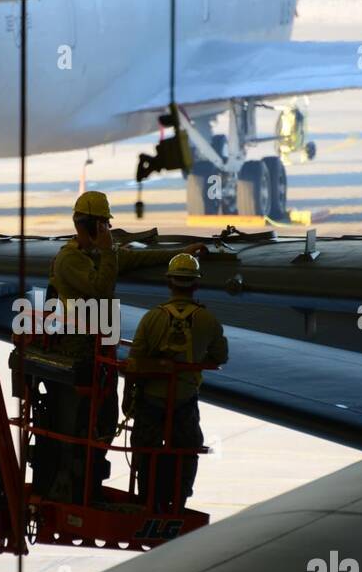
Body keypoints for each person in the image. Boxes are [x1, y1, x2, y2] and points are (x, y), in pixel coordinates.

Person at [39, 190, 202, 503]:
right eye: (102, 226)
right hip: (77, 353)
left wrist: (183, 253)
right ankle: (73, 484)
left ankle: (88, 480)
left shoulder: (101, 255)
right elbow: (101, 288)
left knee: (104, 420)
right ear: (88, 226)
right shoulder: (70, 260)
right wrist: (109, 252)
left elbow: (136, 258)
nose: (106, 232)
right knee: (79, 424)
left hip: (100, 353)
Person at [125, 252, 228, 511]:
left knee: (145, 448)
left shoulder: (152, 318)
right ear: (195, 284)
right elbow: (221, 355)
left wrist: (129, 397)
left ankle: (147, 498)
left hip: (151, 398)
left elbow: (135, 360)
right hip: (184, 398)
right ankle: (179, 500)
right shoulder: (208, 321)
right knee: (187, 448)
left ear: (170, 283)